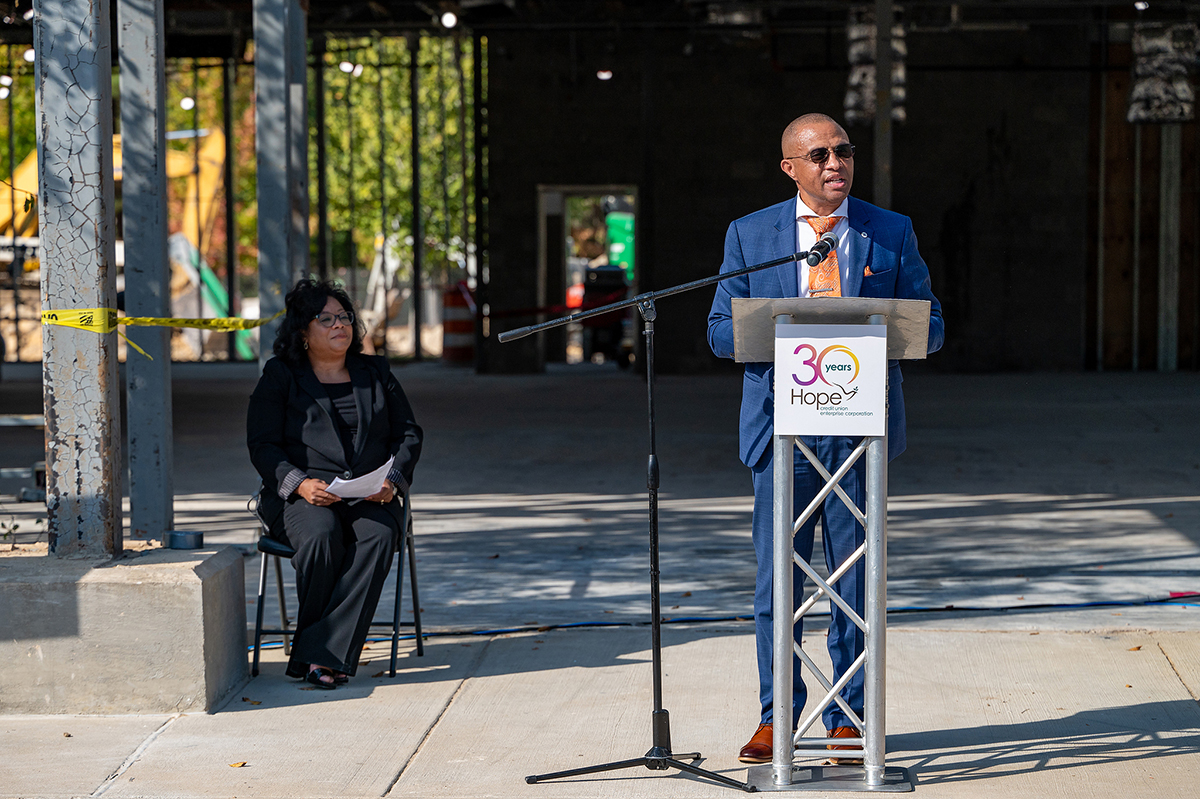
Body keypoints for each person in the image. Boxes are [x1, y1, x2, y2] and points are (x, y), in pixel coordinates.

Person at [707, 113, 944, 763]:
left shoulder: (890, 232)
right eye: (819, 155)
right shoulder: (751, 235)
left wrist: (872, 330)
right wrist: (786, 325)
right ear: (790, 168)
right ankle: (775, 716)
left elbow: (934, 325)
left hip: (857, 435)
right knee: (775, 584)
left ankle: (848, 717)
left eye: (844, 151)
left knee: (852, 582)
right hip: (781, 436)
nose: (835, 163)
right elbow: (721, 333)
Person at [248, 279, 423, 689]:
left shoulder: (375, 372)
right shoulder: (280, 376)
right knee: (323, 536)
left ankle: (317, 655)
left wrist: (392, 482)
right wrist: (299, 483)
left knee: (378, 536)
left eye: (343, 317)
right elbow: (262, 445)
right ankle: (324, 655)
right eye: (325, 319)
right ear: (302, 332)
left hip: (370, 493)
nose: (339, 325)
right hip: (301, 497)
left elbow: (409, 433)